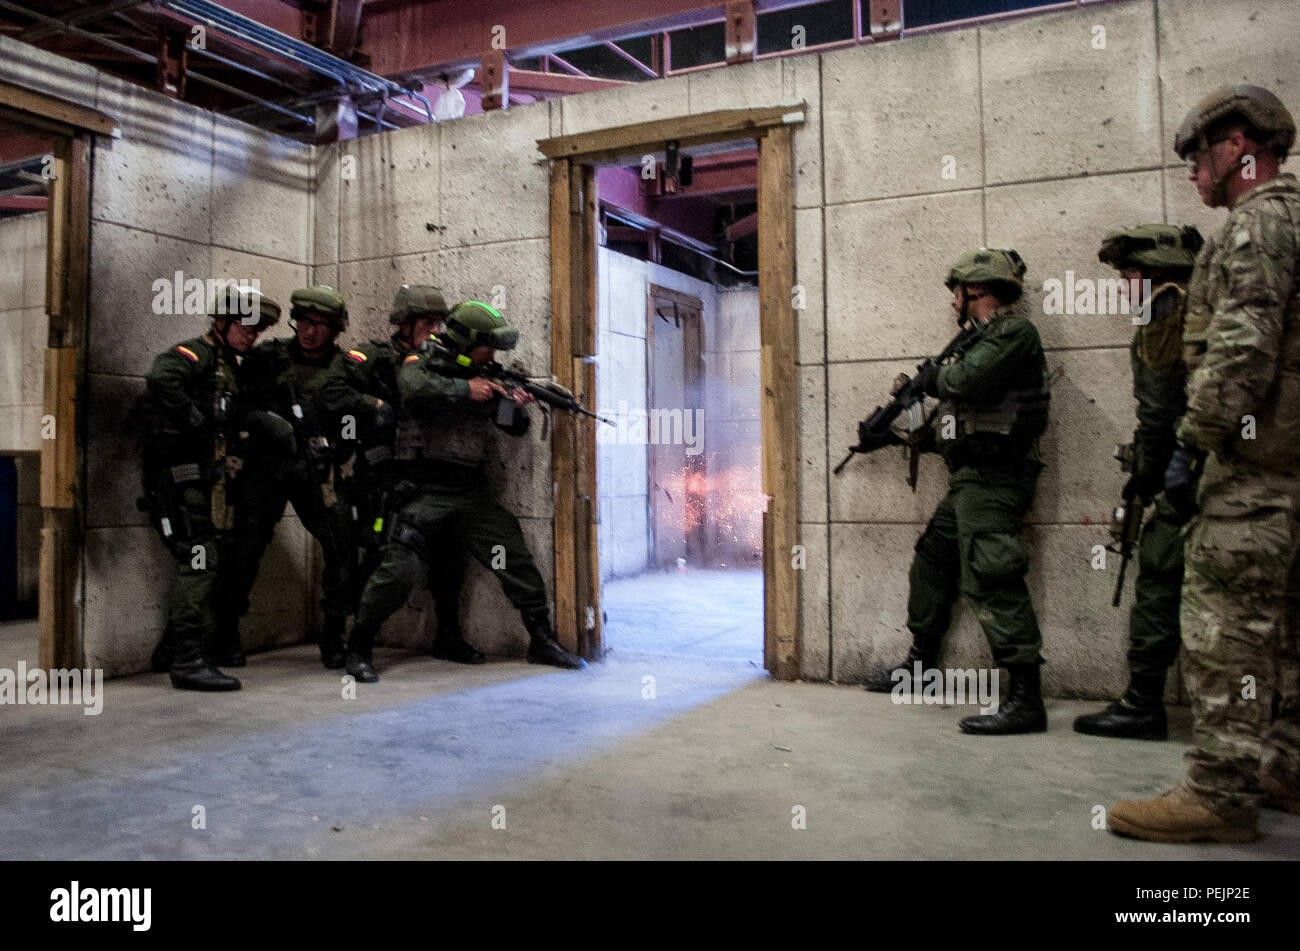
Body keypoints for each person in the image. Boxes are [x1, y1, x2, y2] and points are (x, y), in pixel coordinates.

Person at [1109, 85, 1300, 842]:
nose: (1193, 172)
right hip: (1288, 467)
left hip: (1252, 472)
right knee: (1287, 632)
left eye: (1198, 155)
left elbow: (1243, 346)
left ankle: (1219, 794)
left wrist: (1193, 443)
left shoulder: (1258, 225)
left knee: (1221, 629)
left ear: (1238, 147)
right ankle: (1285, 765)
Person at [344, 300, 586, 683]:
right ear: (462, 342)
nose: (490, 355)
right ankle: (358, 646)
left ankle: (541, 638)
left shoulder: (488, 372)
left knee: (510, 556)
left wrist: (509, 403)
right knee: (398, 570)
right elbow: (413, 388)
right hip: (422, 489)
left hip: (469, 491)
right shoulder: (421, 360)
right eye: (485, 346)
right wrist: (466, 388)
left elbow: (516, 429)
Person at [861, 249, 1052, 735]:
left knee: (992, 573)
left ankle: (1027, 698)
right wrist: (898, 432)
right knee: (933, 556)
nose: (953, 302)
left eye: (959, 292)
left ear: (980, 292)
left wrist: (932, 377)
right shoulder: (974, 341)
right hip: (969, 479)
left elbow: (967, 380)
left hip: (996, 478)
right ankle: (922, 666)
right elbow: (956, 419)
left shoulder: (1012, 333)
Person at [1073, 225, 1203, 740]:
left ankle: (1144, 703)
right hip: (1213, 473)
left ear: (1154, 274)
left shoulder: (1164, 307)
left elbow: (1160, 406)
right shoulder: (1198, 304)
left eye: (1128, 276)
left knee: (1159, 574)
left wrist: (1147, 479)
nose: (1124, 287)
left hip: (1192, 480)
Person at [322, 284, 476, 666]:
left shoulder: (441, 361)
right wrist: (372, 403)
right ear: (405, 325)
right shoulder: (373, 358)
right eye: (427, 322)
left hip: (426, 480)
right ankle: (346, 642)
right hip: (378, 478)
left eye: (440, 322)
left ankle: (448, 634)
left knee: (448, 559)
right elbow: (330, 393)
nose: (435, 330)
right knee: (374, 564)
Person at [220, 286, 371, 670]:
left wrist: (339, 443)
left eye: (321, 325)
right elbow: (238, 406)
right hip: (266, 469)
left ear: (335, 330)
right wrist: (264, 423)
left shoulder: (347, 367)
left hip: (314, 472)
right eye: (305, 322)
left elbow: (358, 418)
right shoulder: (268, 358)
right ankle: (223, 634)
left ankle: (334, 636)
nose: (310, 332)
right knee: (244, 548)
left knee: (342, 545)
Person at [140, 283, 282, 691]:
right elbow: (161, 377)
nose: (251, 335)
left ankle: (172, 649)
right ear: (221, 322)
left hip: (208, 482)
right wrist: (198, 417)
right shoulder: (195, 355)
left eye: (257, 330)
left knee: (207, 560)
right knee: (199, 560)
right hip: (181, 481)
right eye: (245, 327)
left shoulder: (230, 365)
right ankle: (187, 660)